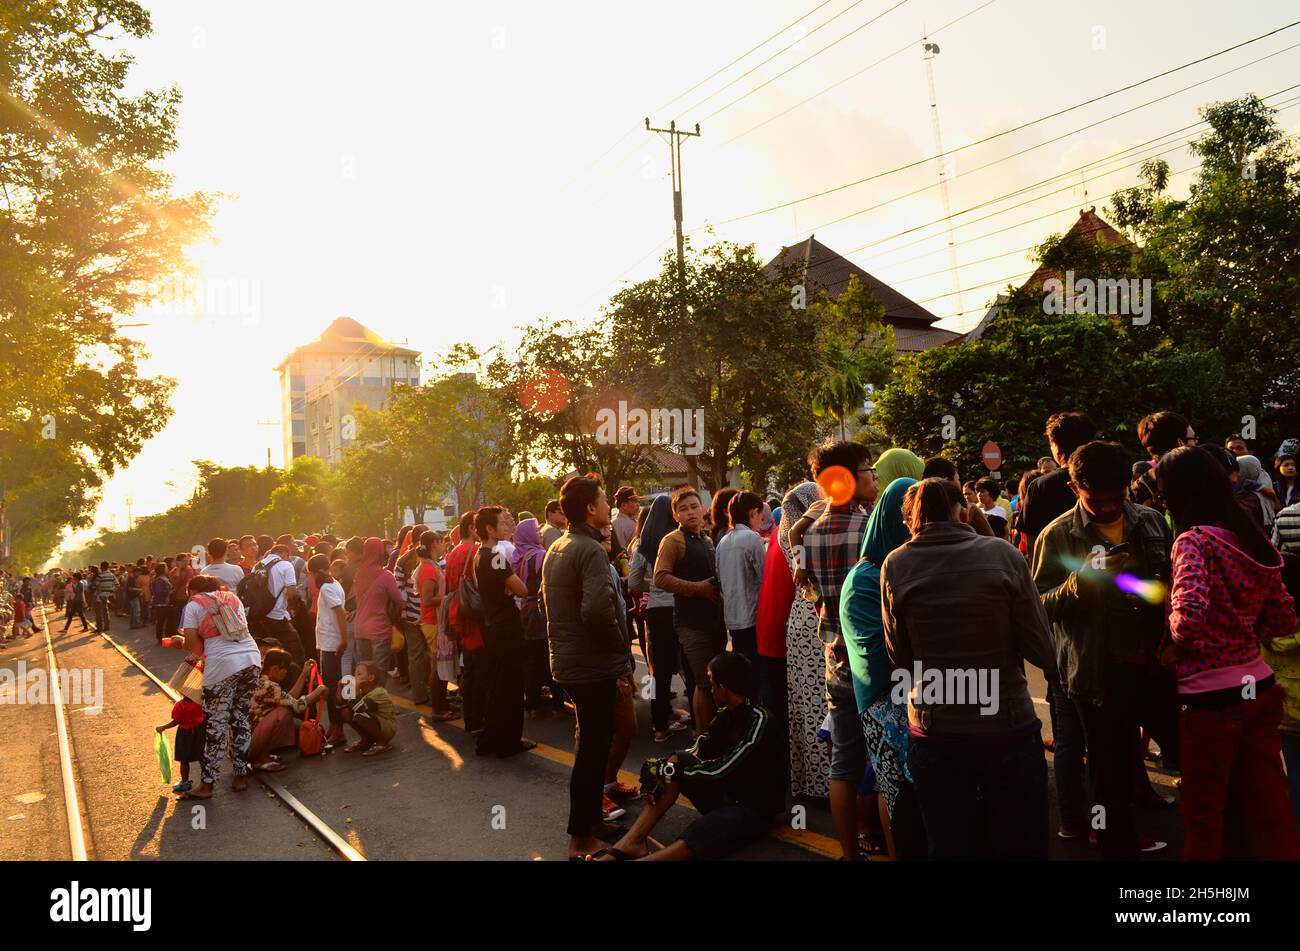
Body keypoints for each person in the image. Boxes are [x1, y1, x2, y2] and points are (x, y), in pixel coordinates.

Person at [882, 478, 1057, 859]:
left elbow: (900, 657)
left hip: (935, 728)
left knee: (949, 842)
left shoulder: (895, 564)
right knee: (1021, 841)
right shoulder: (1004, 556)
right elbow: (1043, 651)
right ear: (964, 509)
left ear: (910, 519)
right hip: (1005, 725)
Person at [1157, 446, 1300, 860]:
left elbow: (1189, 616)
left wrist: (1173, 648)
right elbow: (1284, 620)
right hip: (1259, 686)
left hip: (1208, 699)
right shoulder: (1252, 539)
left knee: (1204, 811)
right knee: (1271, 804)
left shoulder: (1194, 542)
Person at [1033, 441, 1173, 858]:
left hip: (1155, 660)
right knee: (1107, 764)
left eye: (1118, 498)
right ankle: (1112, 838)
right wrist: (1081, 583)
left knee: (1174, 747)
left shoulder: (1150, 521)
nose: (1111, 508)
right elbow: (1039, 605)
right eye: (1099, 501)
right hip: (1096, 667)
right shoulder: (1057, 534)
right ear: (1075, 488)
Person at [590, 653, 783, 861]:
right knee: (678, 759)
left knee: (702, 830)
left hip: (754, 810)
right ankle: (632, 842)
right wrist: (663, 768)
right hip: (729, 795)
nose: (710, 689)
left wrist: (674, 771)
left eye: (711, 682)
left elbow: (724, 768)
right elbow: (698, 749)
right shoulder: (726, 713)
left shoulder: (760, 720)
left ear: (723, 689)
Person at [540, 476, 633, 859]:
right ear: (591, 509)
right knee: (593, 749)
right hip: (592, 665)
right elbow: (596, 611)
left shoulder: (560, 546)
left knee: (593, 745)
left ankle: (593, 820)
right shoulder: (589, 550)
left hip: (572, 662)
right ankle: (581, 836)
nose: (608, 507)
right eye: (602, 501)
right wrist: (619, 655)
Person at [840, 476, 927, 860]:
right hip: (883, 702)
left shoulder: (902, 567)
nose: (912, 527)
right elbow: (880, 650)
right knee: (894, 794)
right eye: (906, 518)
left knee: (911, 796)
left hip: (910, 698)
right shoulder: (865, 577)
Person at [800, 439, 879, 860]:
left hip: (836, 660)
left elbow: (815, 596)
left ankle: (850, 853)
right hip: (875, 663)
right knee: (886, 763)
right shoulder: (869, 530)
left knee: (843, 762)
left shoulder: (811, 534)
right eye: (868, 469)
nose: (874, 477)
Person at [172, 575, 263, 800]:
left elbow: (192, 646)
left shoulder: (193, 605)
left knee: (215, 726)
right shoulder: (232, 598)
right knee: (240, 719)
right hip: (251, 660)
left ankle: (207, 785)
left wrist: (178, 641)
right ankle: (240, 775)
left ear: (193, 590)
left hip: (221, 667)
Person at [654, 485, 726, 736]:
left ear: (704, 509)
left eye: (694, 507)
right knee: (703, 684)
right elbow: (660, 578)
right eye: (683, 509)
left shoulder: (706, 539)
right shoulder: (672, 540)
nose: (690, 513)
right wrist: (698, 589)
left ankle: (710, 734)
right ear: (675, 516)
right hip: (690, 623)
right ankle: (701, 735)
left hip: (714, 620)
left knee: (714, 682)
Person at [777, 480, 831, 799]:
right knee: (824, 704)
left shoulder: (789, 537)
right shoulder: (816, 535)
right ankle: (831, 781)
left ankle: (813, 782)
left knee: (805, 705)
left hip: (799, 620)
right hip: (817, 620)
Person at [630, 494, 693, 743]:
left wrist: (654, 585)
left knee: (659, 670)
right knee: (689, 664)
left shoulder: (642, 545)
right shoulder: (680, 541)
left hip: (656, 612)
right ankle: (700, 724)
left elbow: (634, 582)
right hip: (682, 607)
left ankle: (659, 726)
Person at [473, 506, 535, 758]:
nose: (508, 526)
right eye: (502, 522)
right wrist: (512, 586)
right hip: (506, 626)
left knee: (497, 686)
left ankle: (491, 738)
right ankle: (509, 741)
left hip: (492, 625)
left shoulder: (480, 555)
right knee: (510, 686)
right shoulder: (496, 557)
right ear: (489, 529)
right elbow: (520, 589)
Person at [1020, 411, 1098, 553]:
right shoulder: (1108, 476)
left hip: (1057, 568)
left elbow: (1033, 544)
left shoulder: (1039, 486)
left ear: (1056, 446)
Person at [513, 518, 563, 720]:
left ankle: (533, 704)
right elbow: (549, 582)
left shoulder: (519, 555)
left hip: (525, 610)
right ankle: (559, 705)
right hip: (541, 611)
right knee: (549, 656)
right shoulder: (541, 554)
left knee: (532, 659)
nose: (540, 532)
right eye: (536, 529)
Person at [248, 649, 328, 770]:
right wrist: (319, 691)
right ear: (274, 669)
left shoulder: (260, 680)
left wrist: (303, 674)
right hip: (248, 745)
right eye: (284, 669)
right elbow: (297, 706)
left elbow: (288, 699)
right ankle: (261, 759)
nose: (286, 672)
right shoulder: (269, 686)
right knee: (283, 713)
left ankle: (262, 755)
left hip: (243, 744)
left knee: (284, 709)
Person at [444, 513, 487, 735]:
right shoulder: (475, 551)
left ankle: (471, 719)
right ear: (472, 528)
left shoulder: (452, 552)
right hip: (474, 616)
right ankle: (479, 719)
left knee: (469, 669)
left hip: (458, 615)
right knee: (480, 670)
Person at [715, 491, 766, 670]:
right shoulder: (752, 538)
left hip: (733, 616)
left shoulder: (723, 542)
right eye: (760, 514)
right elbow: (763, 576)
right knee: (755, 668)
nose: (761, 520)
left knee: (741, 667)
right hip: (753, 616)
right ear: (753, 512)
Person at [415, 531, 458, 721]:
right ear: (434, 544)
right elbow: (427, 599)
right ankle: (438, 709)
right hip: (433, 622)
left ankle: (442, 702)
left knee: (441, 664)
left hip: (438, 620)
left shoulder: (431, 565)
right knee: (437, 667)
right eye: (442, 542)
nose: (444, 546)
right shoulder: (427, 568)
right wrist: (449, 598)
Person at [350, 537, 404, 688]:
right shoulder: (386, 575)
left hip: (360, 628)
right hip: (380, 628)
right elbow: (399, 600)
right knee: (379, 671)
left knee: (363, 671)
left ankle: (363, 703)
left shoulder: (358, 574)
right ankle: (379, 704)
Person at [312, 555, 349, 746]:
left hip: (331, 643)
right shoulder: (332, 584)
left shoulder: (327, 588)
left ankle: (338, 729)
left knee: (333, 687)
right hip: (329, 642)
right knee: (335, 686)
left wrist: (343, 639)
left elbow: (341, 613)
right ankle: (336, 727)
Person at [393, 538, 432, 707]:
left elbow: (398, 587)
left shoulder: (402, 560)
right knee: (432, 653)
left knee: (415, 655)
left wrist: (404, 608)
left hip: (409, 614)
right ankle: (435, 691)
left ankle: (419, 694)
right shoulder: (430, 558)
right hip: (428, 613)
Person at [338, 661, 398, 755]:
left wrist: (356, 689)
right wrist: (340, 686)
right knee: (345, 712)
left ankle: (382, 742)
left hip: (387, 727)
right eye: (355, 674)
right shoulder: (362, 691)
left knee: (359, 715)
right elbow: (340, 705)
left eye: (359, 674)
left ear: (371, 678)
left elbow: (360, 708)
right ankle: (366, 740)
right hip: (374, 720)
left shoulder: (378, 692)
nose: (355, 677)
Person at [156, 695, 206, 794]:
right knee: (201, 756)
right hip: (199, 732)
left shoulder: (179, 705)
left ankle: (185, 782)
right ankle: (206, 780)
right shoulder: (200, 702)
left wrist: (163, 727)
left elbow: (176, 721)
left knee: (184, 759)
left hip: (185, 733)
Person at [612, 486, 640, 551]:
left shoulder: (612, 522)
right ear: (624, 505)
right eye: (634, 501)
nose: (638, 504)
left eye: (637, 501)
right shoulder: (633, 525)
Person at [91, 560, 116, 633]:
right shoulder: (112, 575)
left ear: (101, 567)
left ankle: (99, 628)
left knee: (98, 612)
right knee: (105, 611)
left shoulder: (100, 576)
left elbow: (95, 586)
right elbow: (117, 585)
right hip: (106, 595)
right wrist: (110, 591)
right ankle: (107, 627)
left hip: (99, 595)